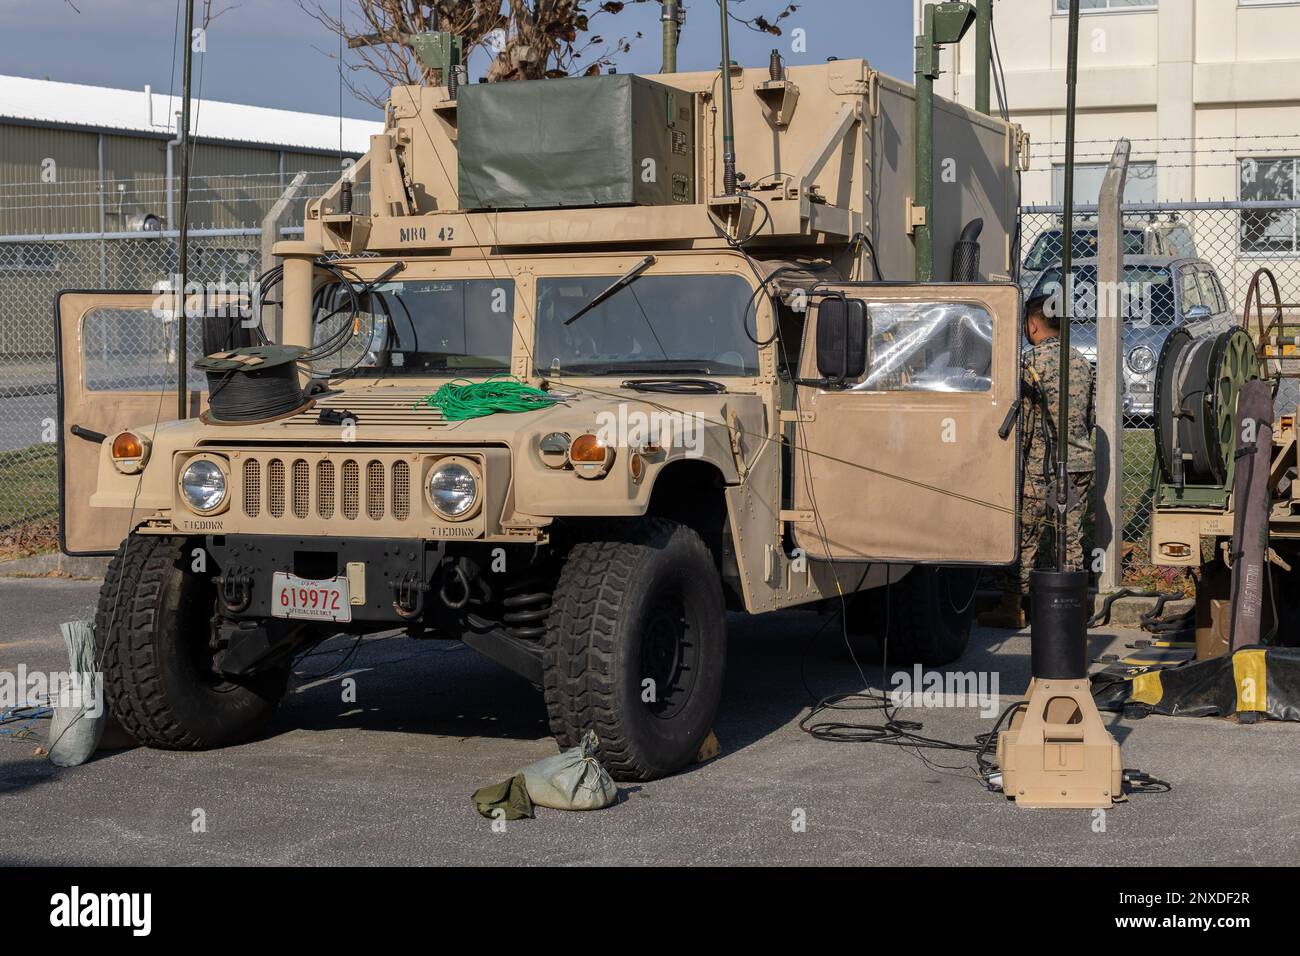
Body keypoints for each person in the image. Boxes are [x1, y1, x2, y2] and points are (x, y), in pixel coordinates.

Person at [980, 292, 1096, 628]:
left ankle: (1013, 605)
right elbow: (1088, 417)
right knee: (1068, 534)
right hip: (1076, 466)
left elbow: (1025, 424)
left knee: (1026, 534)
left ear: (1032, 325)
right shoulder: (1081, 362)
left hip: (1040, 469)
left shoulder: (1029, 365)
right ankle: (1073, 608)